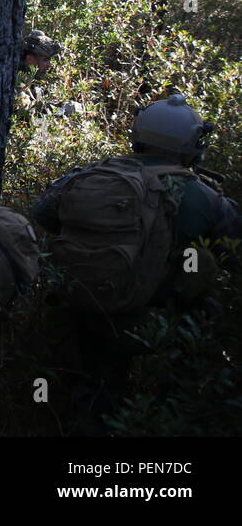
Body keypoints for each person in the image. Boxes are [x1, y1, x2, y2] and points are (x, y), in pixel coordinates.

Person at [30, 94, 241, 424]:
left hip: (82, 312)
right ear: (190, 143)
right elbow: (234, 253)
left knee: (86, 404)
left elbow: (43, 212)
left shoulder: (94, 175)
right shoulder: (204, 197)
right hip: (153, 324)